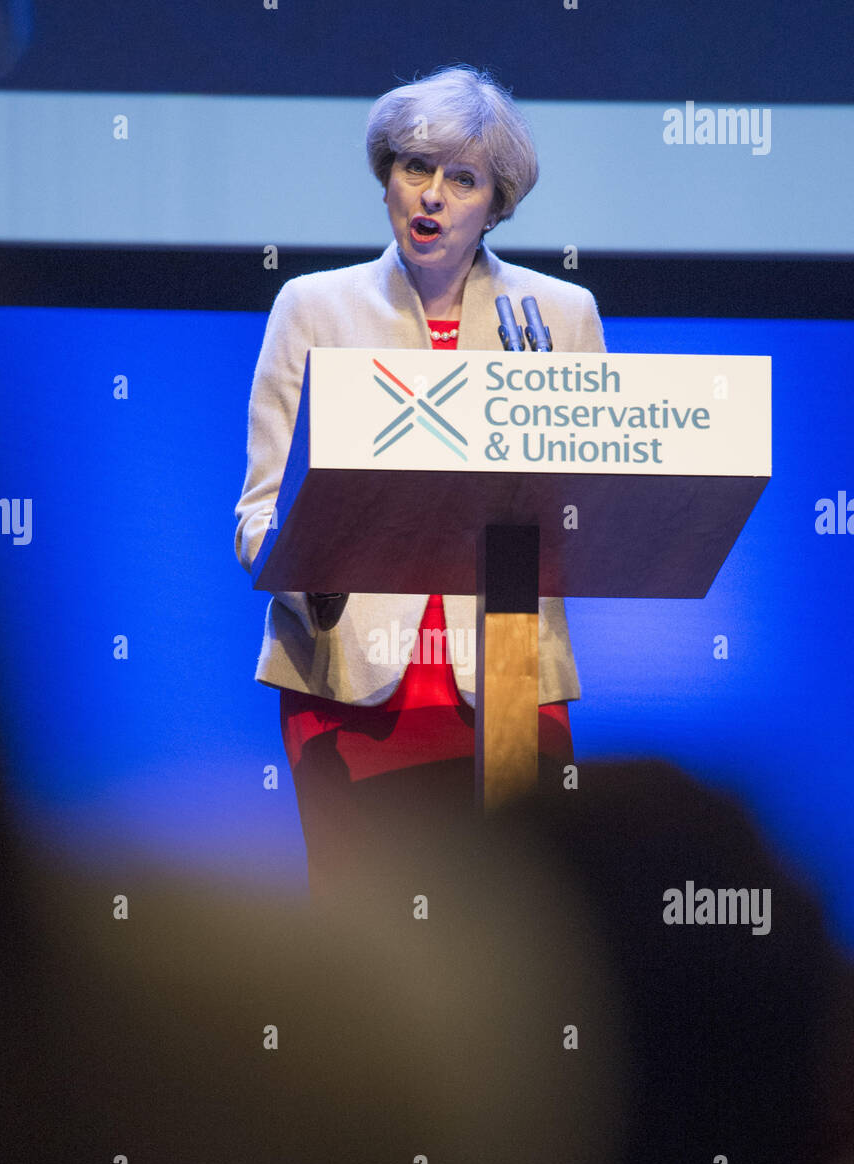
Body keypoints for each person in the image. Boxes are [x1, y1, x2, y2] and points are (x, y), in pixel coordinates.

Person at [234, 64, 606, 896]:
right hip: (350, 687)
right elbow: (257, 517)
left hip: (510, 679)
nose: (432, 195)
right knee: (368, 963)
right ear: (387, 180)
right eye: (415, 168)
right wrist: (317, 585)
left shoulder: (561, 317)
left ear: (497, 203)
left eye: (462, 179)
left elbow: (588, 512)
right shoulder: (313, 307)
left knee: (526, 948)